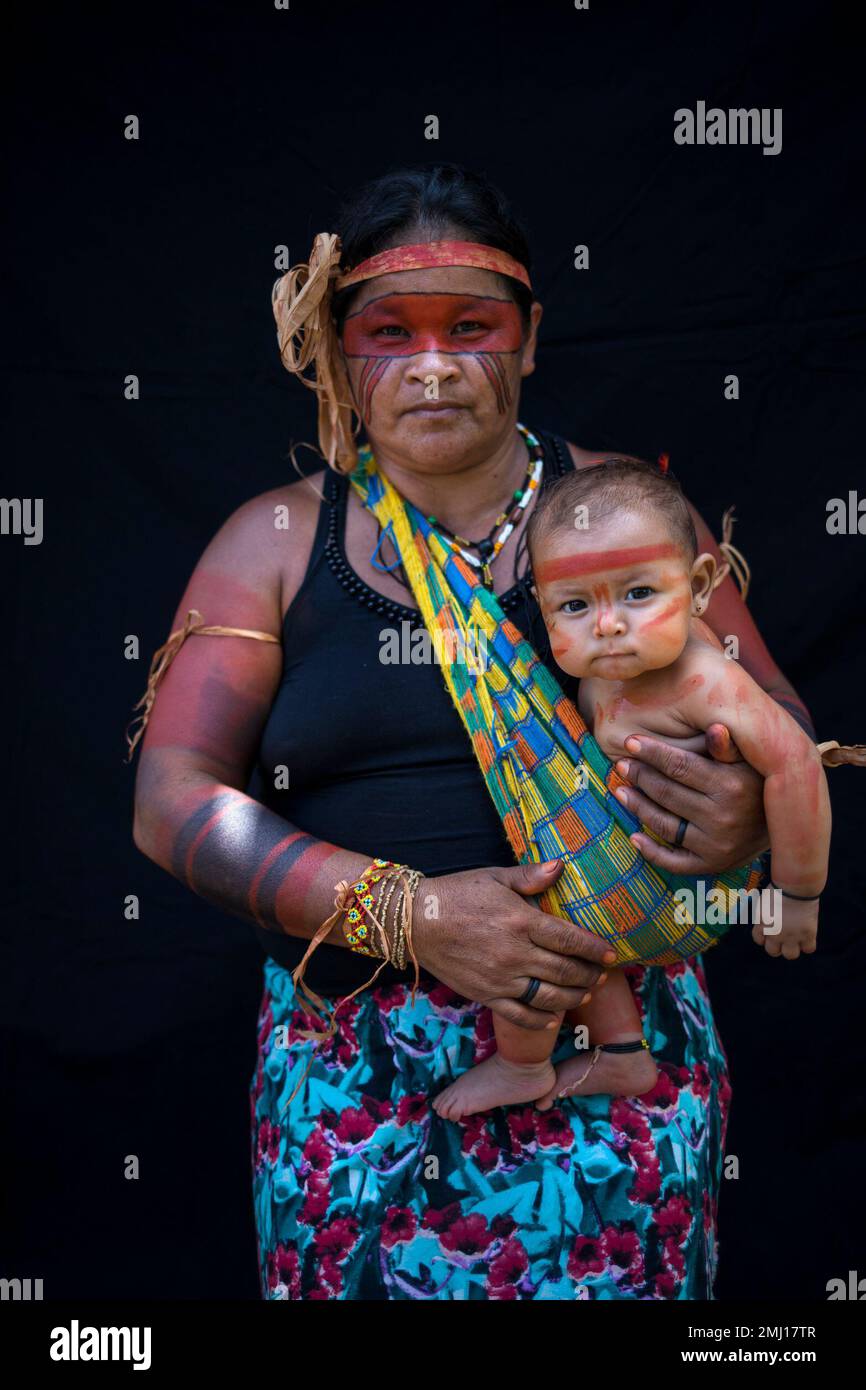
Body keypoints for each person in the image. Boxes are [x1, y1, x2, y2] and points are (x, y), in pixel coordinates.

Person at [130, 163, 817, 1301]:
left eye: (472, 327)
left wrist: (745, 805)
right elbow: (173, 796)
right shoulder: (272, 544)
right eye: (389, 332)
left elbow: (777, 719)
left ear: (529, 338)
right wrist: (413, 913)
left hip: (615, 1054)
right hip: (356, 1079)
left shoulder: (627, 521)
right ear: (342, 354)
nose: (434, 364)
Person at [433, 458, 832, 1122]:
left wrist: (796, 894)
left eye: (639, 594)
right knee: (569, 912)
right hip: (619, 877)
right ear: (542, 607)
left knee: (536, 937)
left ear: (701, 586)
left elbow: (797, 765)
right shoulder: (614, 662)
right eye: (575, 605)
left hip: (681, 890)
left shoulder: (704, 678)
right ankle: (621, 1051)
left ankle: (521, 1063)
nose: (609, 624)